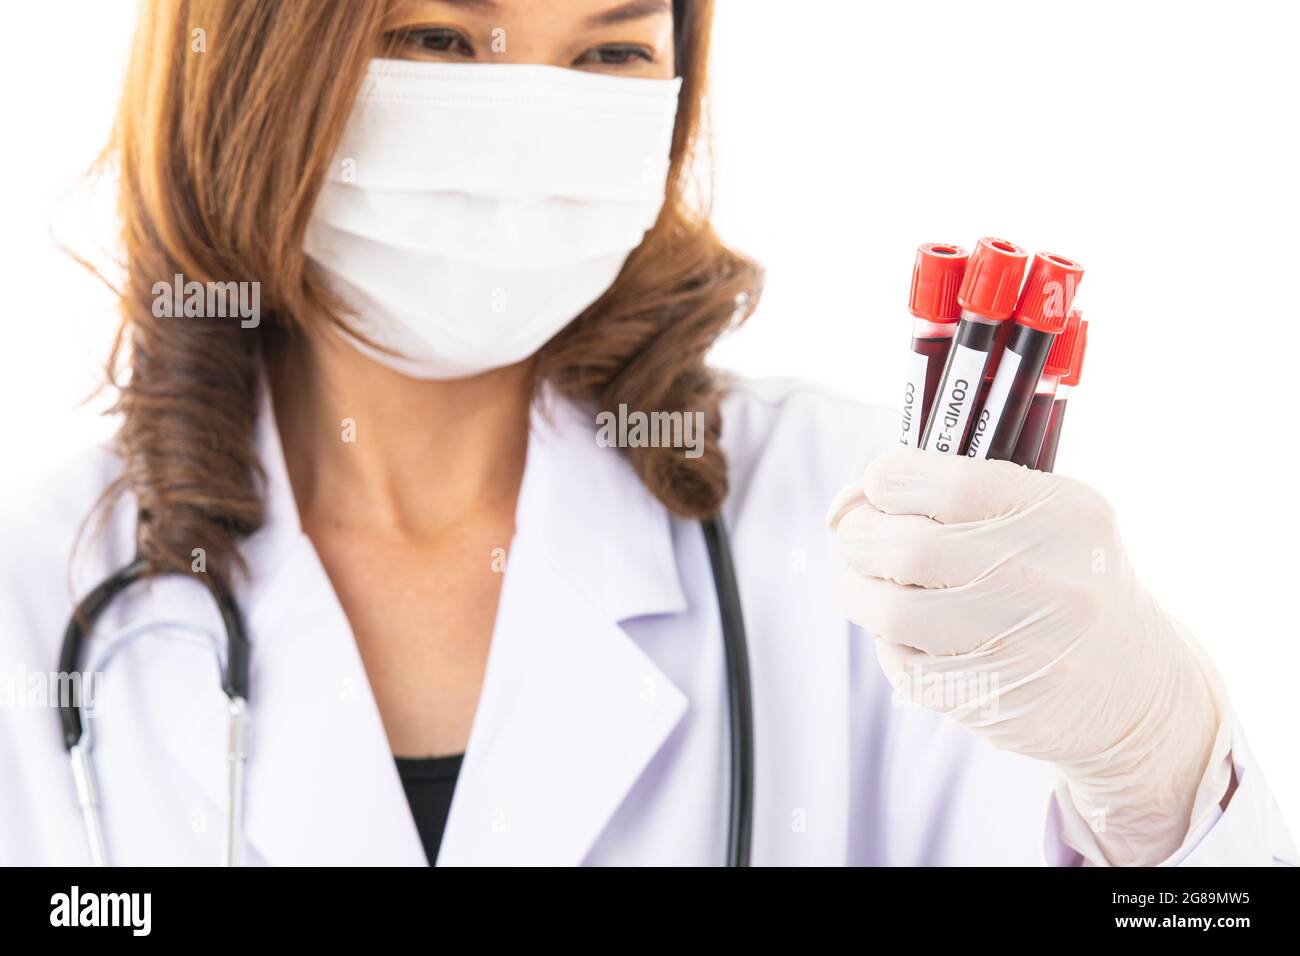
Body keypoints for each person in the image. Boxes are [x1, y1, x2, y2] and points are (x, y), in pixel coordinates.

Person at [0, 0, 1293, 866]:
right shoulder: (38, 593)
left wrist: (1156, 767)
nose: (530, 126)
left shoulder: (860, 528)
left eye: (613, 54)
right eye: (443, 38)